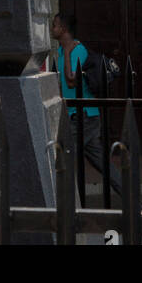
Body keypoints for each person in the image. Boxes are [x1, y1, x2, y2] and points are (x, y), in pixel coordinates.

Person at [51, 11, 121, 202]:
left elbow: (72, 81)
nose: (52, 28)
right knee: (101, 164)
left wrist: (67, 52)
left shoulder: (77, 50)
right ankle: (133, 198)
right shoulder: (60, 50)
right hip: (75, 114)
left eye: (55, 25)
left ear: (63, 29)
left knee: (62, 158)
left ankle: (67, 205)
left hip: (85, 116)